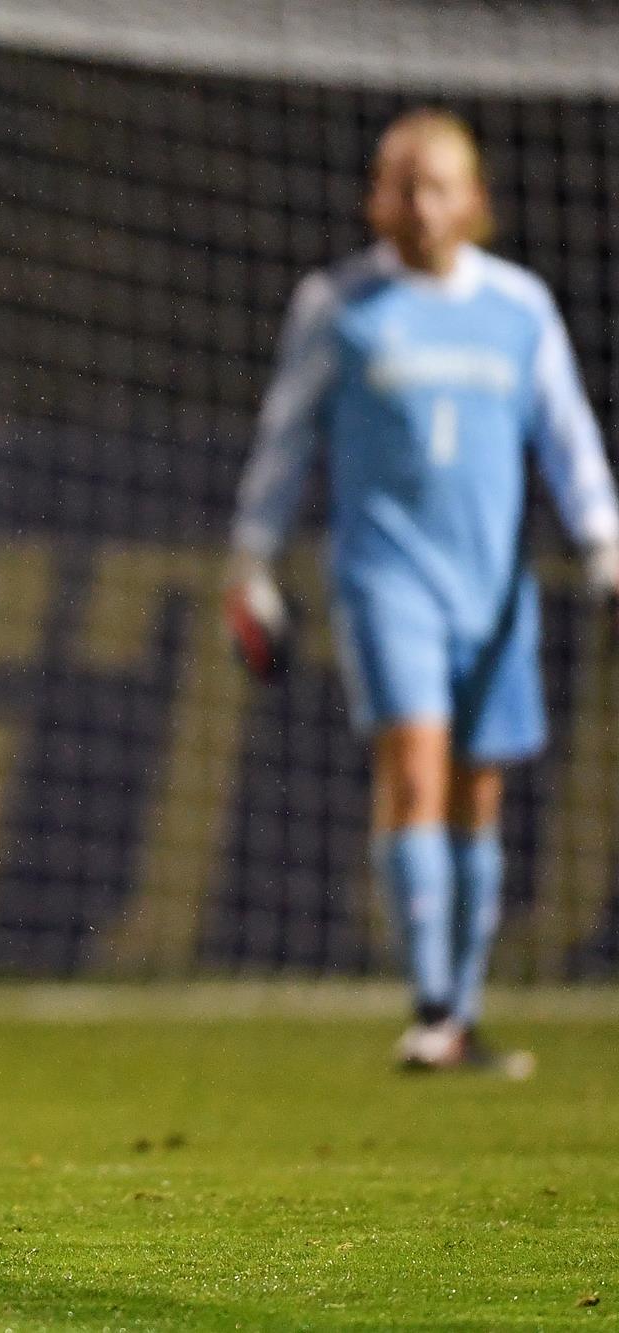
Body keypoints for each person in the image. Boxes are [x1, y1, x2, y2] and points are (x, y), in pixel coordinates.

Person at [226, 108, 619, 1077]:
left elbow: (566, 439)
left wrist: (605, 546)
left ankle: (460, 1015)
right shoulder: (338, 304)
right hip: (381, 576)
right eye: (398, 182)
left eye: (435, 183)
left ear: (475, 200)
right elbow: (284, 438)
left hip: (491, 586)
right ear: (373, 198)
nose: (415, 202)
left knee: (478, 797)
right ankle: (431, 1004)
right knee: (413, 767)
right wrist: (250, 560)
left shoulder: (519, 307)